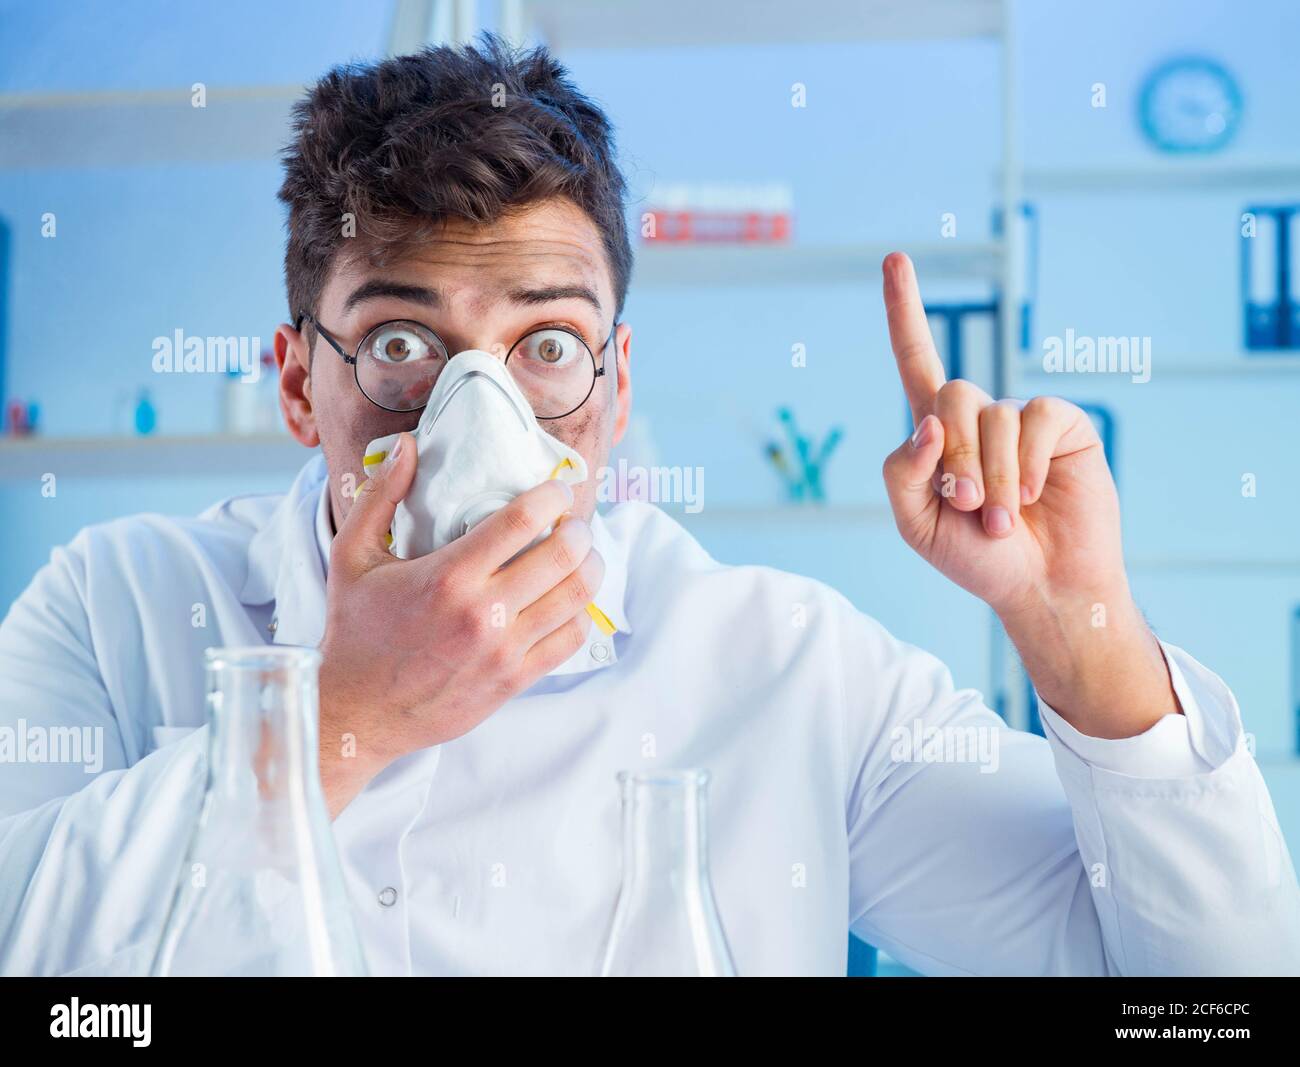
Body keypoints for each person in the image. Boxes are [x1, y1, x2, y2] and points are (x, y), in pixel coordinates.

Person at [1, 35, 1296, 977]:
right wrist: (343, 723)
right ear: (298, 384)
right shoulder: (117, 607)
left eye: (548, 348)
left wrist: (1087, 639)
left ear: (617, 389)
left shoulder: (781, 667)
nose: (477, 419)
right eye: (402, 347)